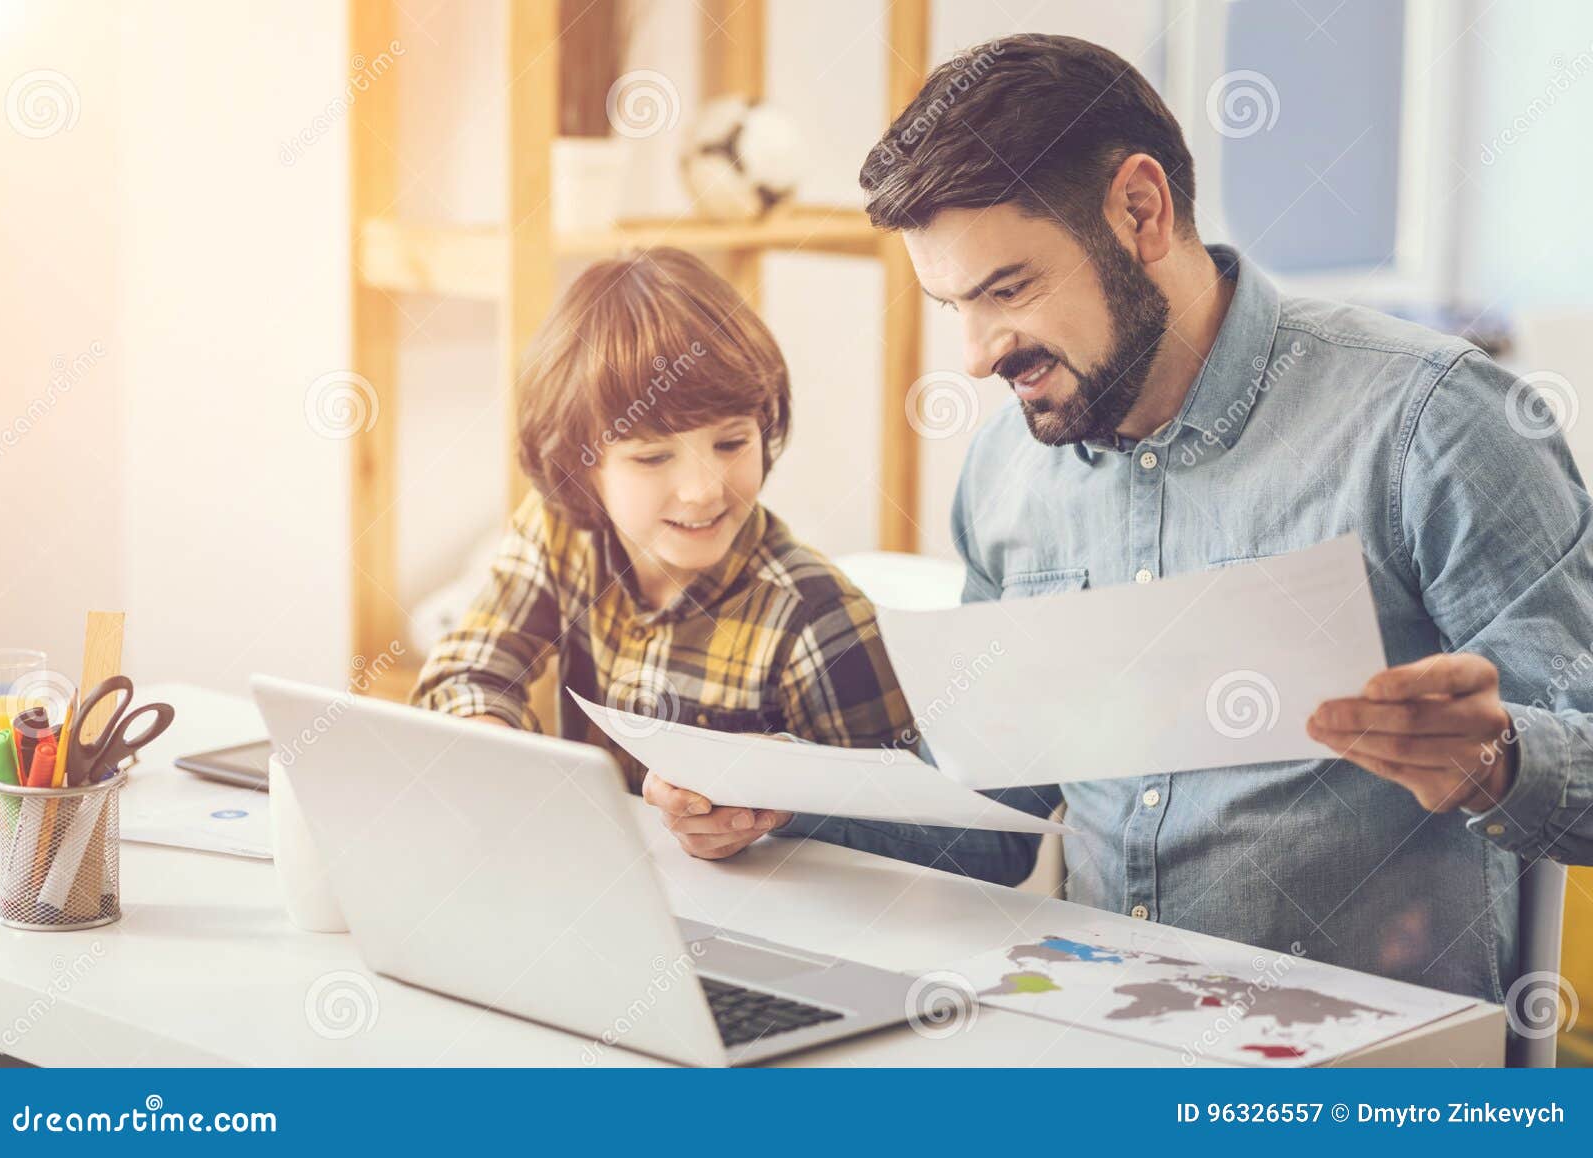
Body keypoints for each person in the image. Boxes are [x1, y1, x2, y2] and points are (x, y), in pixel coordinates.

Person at [645, 35, 1593, 1006]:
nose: (975, 356)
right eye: (952, 306)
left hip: (1360, 1073)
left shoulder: (1431, 422)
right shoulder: (1006, 473)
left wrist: (1495, 759)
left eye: (1006, 291)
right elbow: (990, 819)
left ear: (1140, 211)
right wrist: (784, 799)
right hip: (1107, 1039)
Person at [411, 247, 911, 859]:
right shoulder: (559, 532)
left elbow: (933, 836)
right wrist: (491, 747)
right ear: (580, 466)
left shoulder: (814, 612)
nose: (703, 489)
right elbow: (467, 673)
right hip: (607, 896)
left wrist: (782, 800)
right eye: (651, 457)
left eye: (732, 442)